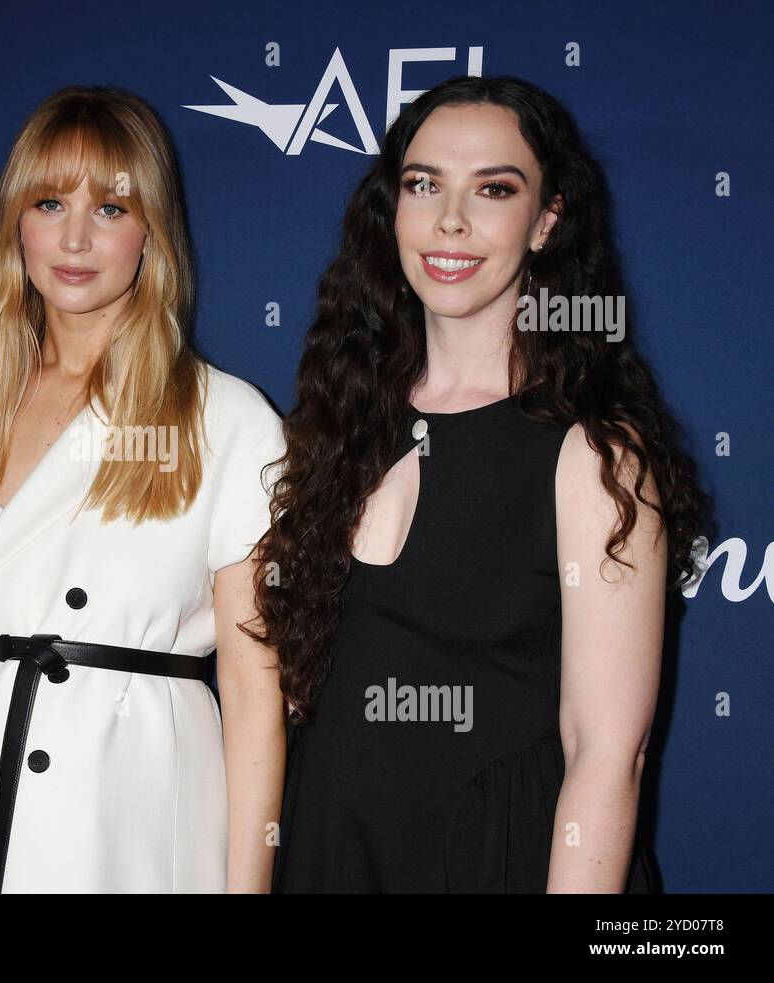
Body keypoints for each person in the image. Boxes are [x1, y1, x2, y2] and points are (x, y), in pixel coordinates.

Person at [256, 76, 707, 893]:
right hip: (332, 849)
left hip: (500, 859)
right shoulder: (338, 427)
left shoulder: (593, 454)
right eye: (424, 184)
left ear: (546, 221)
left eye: (493, 189)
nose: (450, 220)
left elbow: (609, 755)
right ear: (391, 208)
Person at [0, 86, 286, 893]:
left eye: (110, 208)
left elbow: (251, 681)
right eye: (50, 201)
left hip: (118, 822)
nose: (73, 236)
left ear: (151, 233)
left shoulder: (224, 416)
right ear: (13, 224)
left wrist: (250, 888)